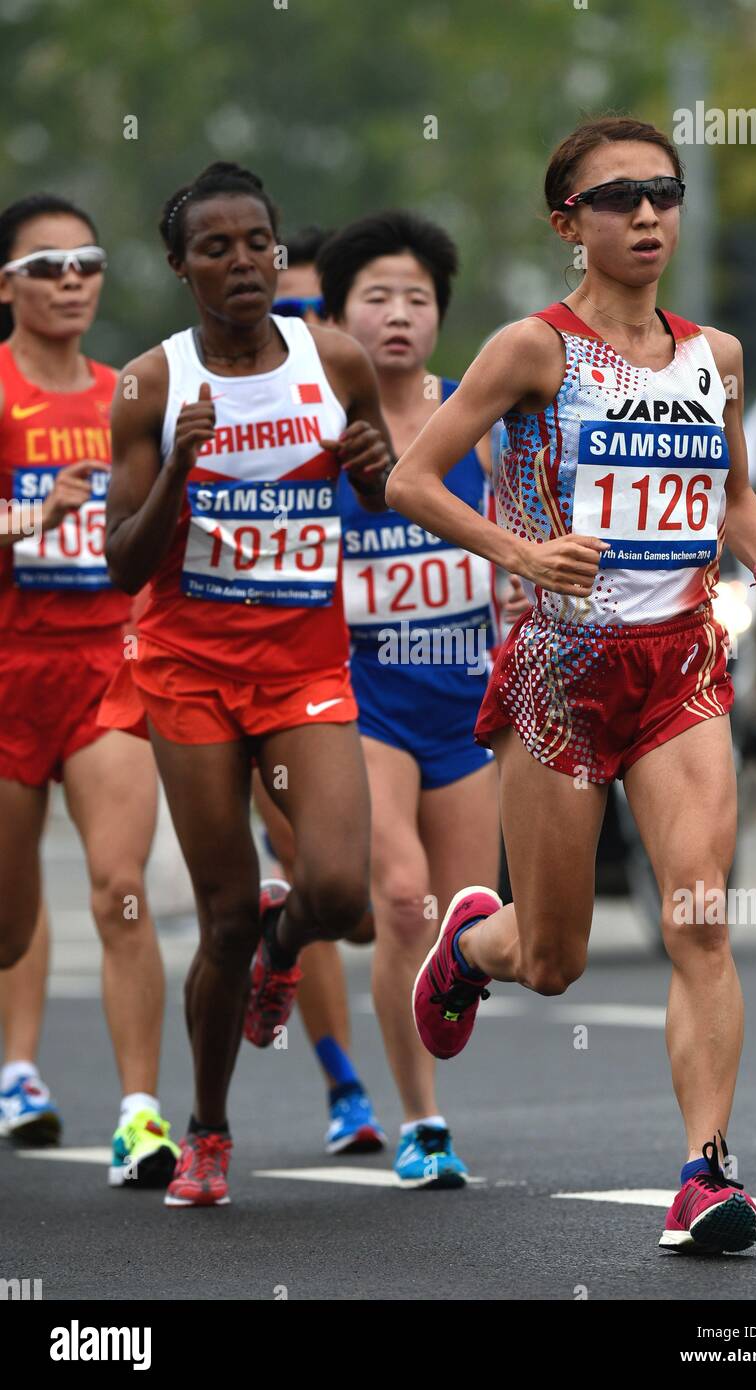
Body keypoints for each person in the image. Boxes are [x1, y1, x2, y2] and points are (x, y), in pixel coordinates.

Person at [387, 116, 756, 1252]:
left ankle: (705, 1175)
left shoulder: (715, 355)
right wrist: (522, 554)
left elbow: (731, 494)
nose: (645, 214)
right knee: (554, 960)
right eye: (617, 197)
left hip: (680, 665)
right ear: (566, 223)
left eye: (663, 193)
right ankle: (473, 945)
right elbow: (412, 480)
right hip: (559, 671)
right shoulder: (531, 349)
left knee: (699, 920)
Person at [99, 162, 394, 1208]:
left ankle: (285, 946)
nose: (243, 263)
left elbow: (378, 488)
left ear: (277, 251)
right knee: (223, 917)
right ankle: (209, 1129)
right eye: (215, 248)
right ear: (179, 266)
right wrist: (179, 470)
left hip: (304, 665)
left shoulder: (336, 358)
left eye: (257, 243)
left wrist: (371, 467)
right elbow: (122, 565)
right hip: (189, 672)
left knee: (340, 893)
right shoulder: (150, 385)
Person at [317, 210, 503, 1187]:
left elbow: (536, 528)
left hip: (466, 705)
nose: (397, 315)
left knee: (459, 929)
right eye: (376, 298)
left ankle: (430, 1055)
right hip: (364, 701)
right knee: (399, 898)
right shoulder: (315, 428)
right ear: (337, 314)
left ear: (440, 313)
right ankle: (421, 1122)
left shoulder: (481, 416)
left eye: (417, 299)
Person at [0, 195, 176, 1187]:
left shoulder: (128, 394)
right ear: (7, 286)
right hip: (8, 668)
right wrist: (30, 516)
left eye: (87, 261)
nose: (71, 280)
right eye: (46, 265)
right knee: (9, 915)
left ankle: (138, 1115)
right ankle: (16, 1068)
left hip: (107, 667)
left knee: (120, 887)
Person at [250, 222, 385, 1156]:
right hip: (287, 679)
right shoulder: (245, 423)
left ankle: (282, 935)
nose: (301, 326)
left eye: (317, 310)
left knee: (378, 909)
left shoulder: (392, 411)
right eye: (284, 308)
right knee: (320, 876)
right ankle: (345, 1087)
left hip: (402, 685)